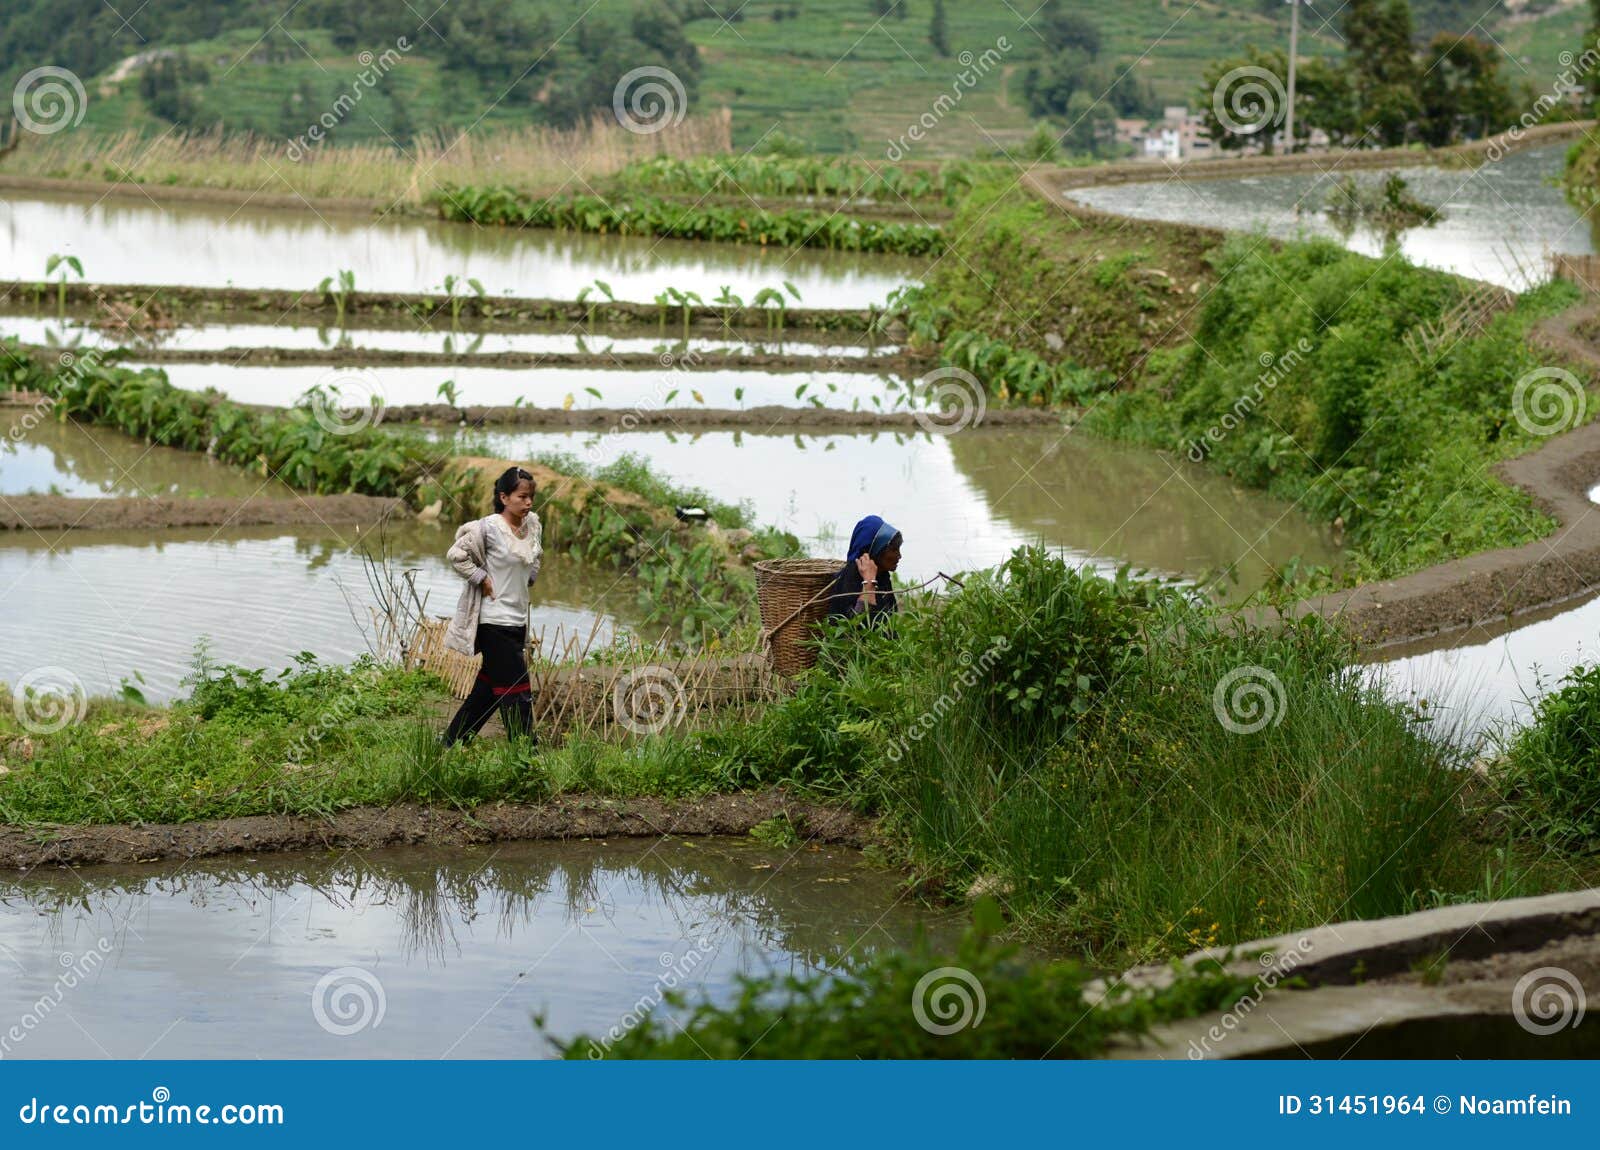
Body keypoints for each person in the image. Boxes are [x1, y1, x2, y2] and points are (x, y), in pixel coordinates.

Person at [441, 466, 543, 746]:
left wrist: (529, 577)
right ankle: (526, 755)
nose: (528, 502)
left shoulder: (532, 525)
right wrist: (480, 577)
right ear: (504, 497)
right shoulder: (486, 528)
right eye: (522, 497)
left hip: (517, 620)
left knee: (487, 691)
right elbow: (456, 555)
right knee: (517, 690)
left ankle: (452, 742)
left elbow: (536, 555)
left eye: (531, 496)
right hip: (493, 621)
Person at [826, 515, 902, 626]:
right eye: (894, 550)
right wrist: (869, 583)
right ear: (875, 549)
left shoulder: (883, 576)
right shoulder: (850, 577)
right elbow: (852, 626)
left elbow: (890, 616)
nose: (899, 555)